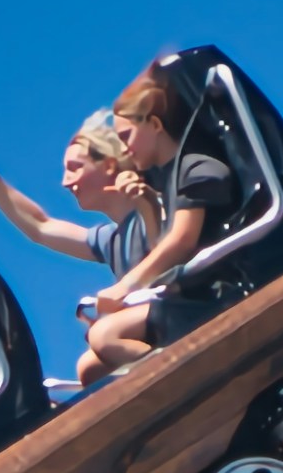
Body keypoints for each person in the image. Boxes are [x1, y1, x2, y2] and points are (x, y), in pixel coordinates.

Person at [0, 108, 157, 391]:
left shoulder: (155, 204)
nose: (66, 182)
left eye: (75, 168)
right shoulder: (112, 240)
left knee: (104, 337)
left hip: (178, 307)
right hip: (148, 319)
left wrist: (123, 299)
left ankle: (174, 366)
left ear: (109, 166)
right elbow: (39, 227)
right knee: (89, 368)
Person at [75, 65, 239, 375]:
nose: (123, 148)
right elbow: (160, 246)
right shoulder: (162, 183)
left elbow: (182, 240)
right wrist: (148, 204)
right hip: (182, 295)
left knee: (105, 335)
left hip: (213, 295)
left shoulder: (194, 168)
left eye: (127, 136)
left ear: (154, 124)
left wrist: (125, 286)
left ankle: (189, 379)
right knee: (89, 367)